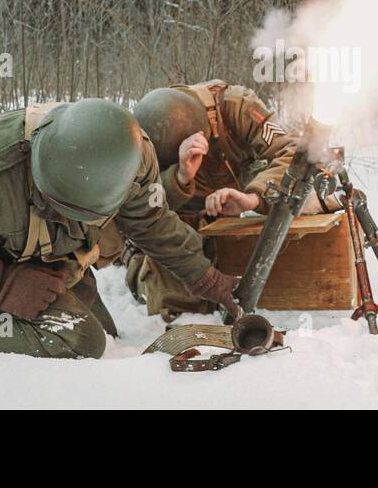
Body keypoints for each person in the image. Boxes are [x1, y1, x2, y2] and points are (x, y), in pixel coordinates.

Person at [0, 98, 238, 359]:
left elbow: (150, 220)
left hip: (51, 264)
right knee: (80, 339)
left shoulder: (131, 156)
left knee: (107, 336)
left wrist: (205, 278)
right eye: (60, 208)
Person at [129, 80, 319, 319]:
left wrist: (253, 197)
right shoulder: (146, 135)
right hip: (176, 222)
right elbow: (139, 201)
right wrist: (180, 176)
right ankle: (133, 261)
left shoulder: (236, 107)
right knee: (182, 304)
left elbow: (291, 152)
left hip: (228, 214)